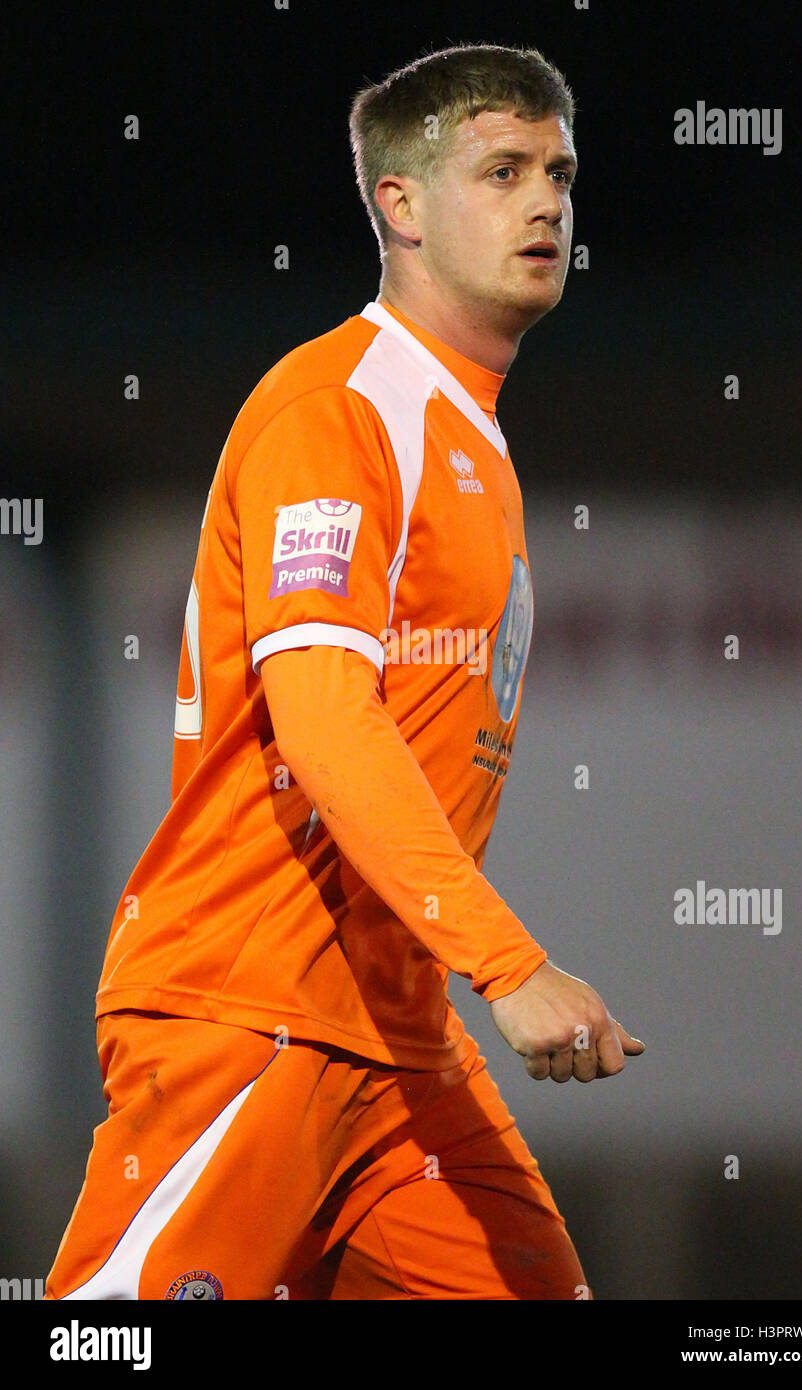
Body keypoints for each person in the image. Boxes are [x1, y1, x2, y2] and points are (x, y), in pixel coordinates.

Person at [45, 41, 644, 1302]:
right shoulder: (340, 408)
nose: (546, 201)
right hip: (252, 1006)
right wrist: (509, 963)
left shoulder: (466, 434)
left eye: (559, 171)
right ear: (400, 205)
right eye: (500, 169)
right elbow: (323, 717)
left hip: (394, 1041)